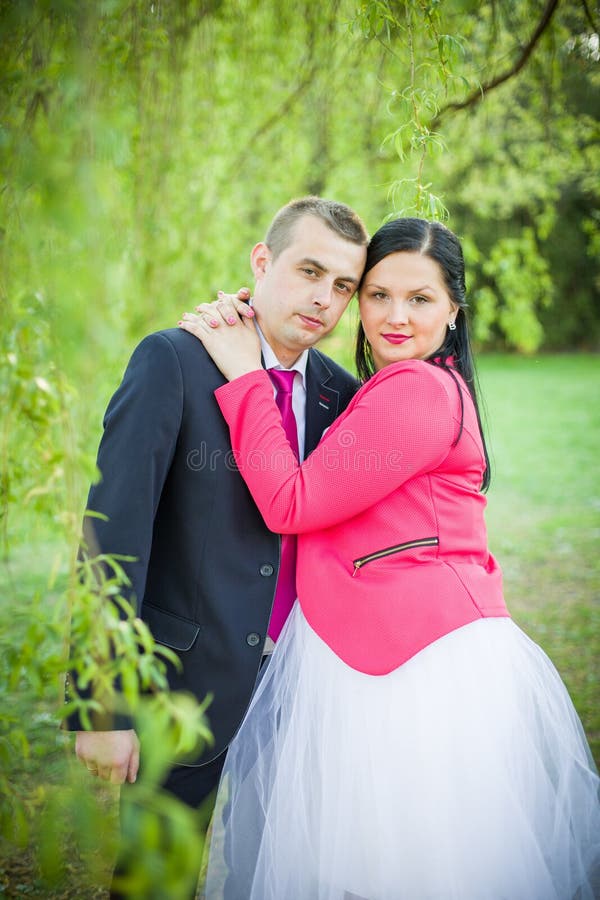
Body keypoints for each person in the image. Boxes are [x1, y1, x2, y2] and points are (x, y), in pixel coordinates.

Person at [179, 217, 600, 900]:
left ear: (455, 310)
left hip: (407, 665)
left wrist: (245, 374)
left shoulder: (417, 391)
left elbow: (290, 503)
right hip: (392, 643)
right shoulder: (405, 386)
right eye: (377, 295)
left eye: (421, 299)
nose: (395, 316)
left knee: (399, 867)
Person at [64, 196, 368, 897]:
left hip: (299, 690)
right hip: (183, 684)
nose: (323, 299)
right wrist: (100, 707)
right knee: (155, 884)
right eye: (308, 270)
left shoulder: (340, 396)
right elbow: (112, 533)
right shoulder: (173, 361)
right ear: (262, 262)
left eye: (343, 285)